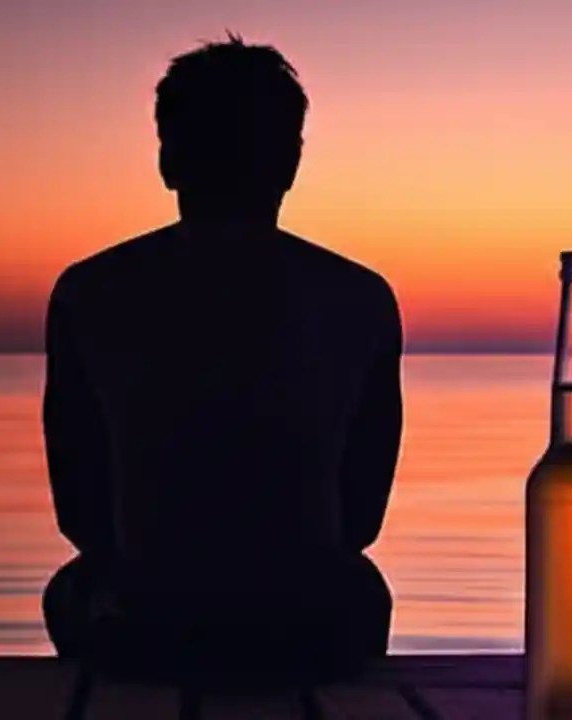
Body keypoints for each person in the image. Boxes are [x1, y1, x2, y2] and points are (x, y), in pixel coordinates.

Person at [41, 34, 403, 680]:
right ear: (289, 163)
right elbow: (359, 520)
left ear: (168, 161)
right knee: (362, 587)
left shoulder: (89, 293)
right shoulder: (361, 300)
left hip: (144, 634)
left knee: (73, 588)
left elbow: (82, 512)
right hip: (306, 634)